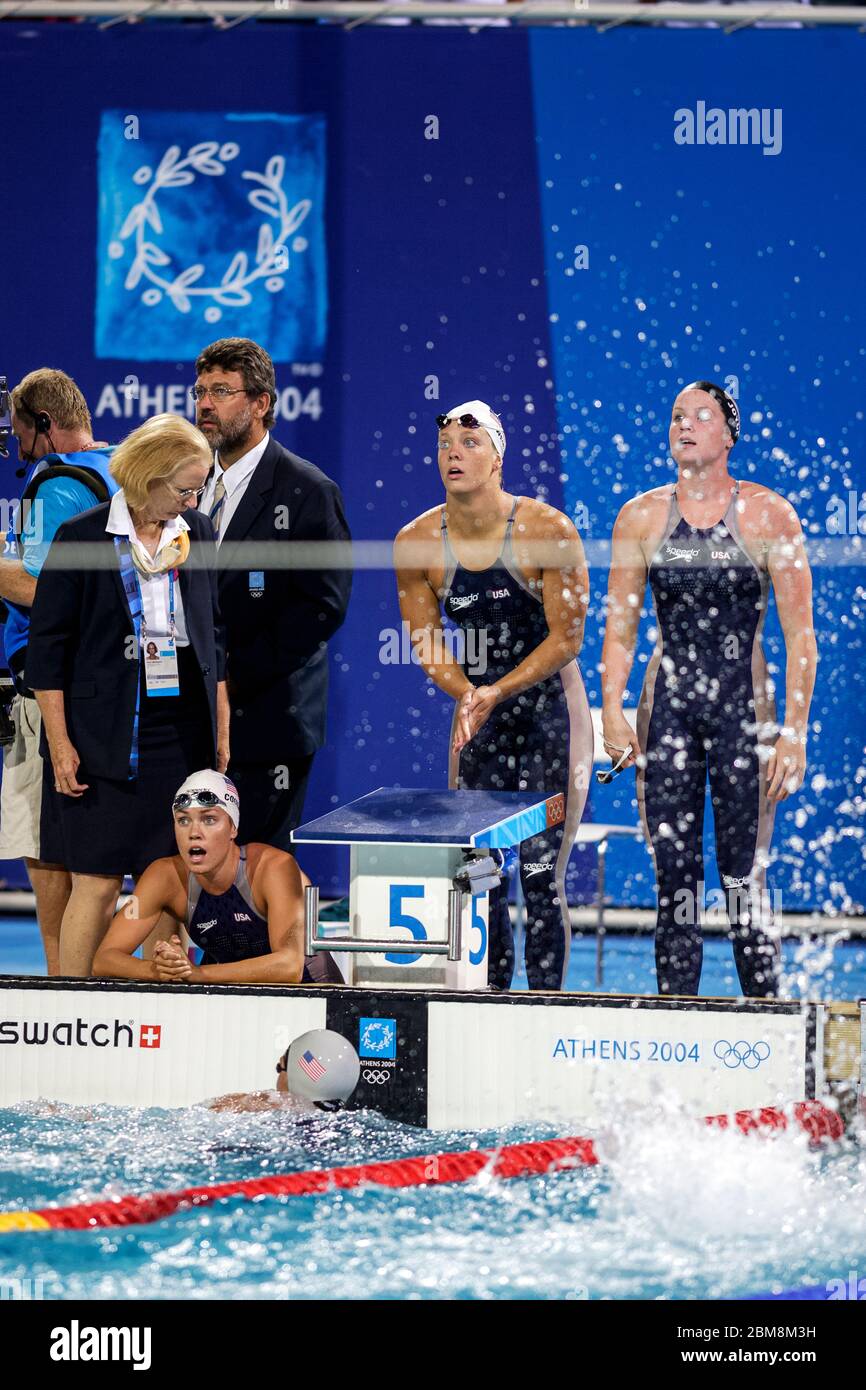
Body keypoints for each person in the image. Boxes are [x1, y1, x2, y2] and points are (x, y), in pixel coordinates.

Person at [601, 381, 817, 998]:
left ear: (729, 435)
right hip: (665, 710)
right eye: (675, 416)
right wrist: (613, 710)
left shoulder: (769, 514)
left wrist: (793, 734)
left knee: (744, 878)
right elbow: (621, 630)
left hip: (742, 715)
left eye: (701, 416)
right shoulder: (640, 517)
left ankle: (769, 1026)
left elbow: (802, 639)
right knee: (675, 878)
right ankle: (678, 1024)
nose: (684, 426)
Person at [394, 400, 594, 991]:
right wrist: (468, 694)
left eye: (470, 442)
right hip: (478, 714)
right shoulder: (417, 541)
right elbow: (427, 642)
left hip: (549, 712)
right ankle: (492, 1003)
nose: (453, 453)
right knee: (482, 872)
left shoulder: (546, 530)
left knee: (539, 870)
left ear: (499, 458)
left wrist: (495, 690)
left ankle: (546, 1007)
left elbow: (568, 638)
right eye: (445, 446)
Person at [26, 414, 228, 977]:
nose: (192, 500)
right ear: (148, 476)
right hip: (100, 735)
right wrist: (61, 744)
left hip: (180, 735)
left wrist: (222, 731)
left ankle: (160, 1010)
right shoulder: (82, 537)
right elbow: (48, 653)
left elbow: (216, 637)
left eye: (198, 489)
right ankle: (73, 1009)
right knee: (94, 878)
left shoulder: (198, 535)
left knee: (167, 875)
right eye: (185, 488)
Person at [194, 338, 352, 847]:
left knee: (255, 872)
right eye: (199, 391)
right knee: (188, 870)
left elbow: (321, 608)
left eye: (221, 391)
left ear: (261, 403)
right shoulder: (184, 485)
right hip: (188, 715)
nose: (204, 405)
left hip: (268, 719)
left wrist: (231, 676)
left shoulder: (307, 490)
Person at [0, 369, 117, 975]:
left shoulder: (54, 485)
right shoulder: (121, 465)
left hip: (51, 694)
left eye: (20, 431)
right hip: (106, 689)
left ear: (44, 424)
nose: (17, 446)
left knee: (49, 853)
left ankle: (62, 998)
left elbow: (46, 589)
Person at [93, 769, 343, 986]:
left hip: (310, 995)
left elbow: (289, 967)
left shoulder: (273, 868)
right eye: (183, 820)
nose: (194, 833)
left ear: (233, 827)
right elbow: (104, 959)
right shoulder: (164, 876)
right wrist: (162, 971)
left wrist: (199, 973)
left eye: (209, 819)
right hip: (228, 993)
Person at [207, 1029, 360, 1114]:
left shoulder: (264, 1108)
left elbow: (212, 1110)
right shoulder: (346, 1121)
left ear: (296, 1075)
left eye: (280, 1068)